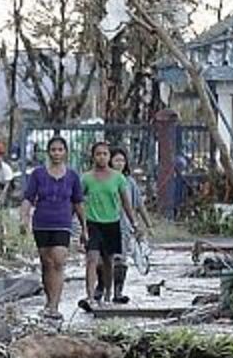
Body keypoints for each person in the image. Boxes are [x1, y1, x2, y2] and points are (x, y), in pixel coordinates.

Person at [20, 136, 86, 320]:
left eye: (60, 150)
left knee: (58, 261)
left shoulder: (72, 176)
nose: (57, 153)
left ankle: (55, 306)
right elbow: (28, 198)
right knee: (46, 263)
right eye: (53, 150)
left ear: (65, 152)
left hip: (63, 223)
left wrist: (85, 228)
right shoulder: (38, 174)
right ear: (48, 152)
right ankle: (48, 302)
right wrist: (24, 218)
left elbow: (78, 203)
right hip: (41, 223)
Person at [79, 141, 140, 312]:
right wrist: (78, 227)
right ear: (93, 156)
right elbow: (78, 202)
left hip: (112, 223)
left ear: (109, 157)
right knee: (91, 259)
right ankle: (90, 296)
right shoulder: (86, 178)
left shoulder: (118, 178)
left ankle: (107, 294)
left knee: (108, 261)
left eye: (105, 154)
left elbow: (127, 204)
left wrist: (135, 223)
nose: (102, 157)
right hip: (92, 223)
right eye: (98, 154)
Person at [100, 147, 153, 303]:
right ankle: (101, 289)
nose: (119, 164)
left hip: (124, 227)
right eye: (116, 160)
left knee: (121, 259)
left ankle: (118, 292)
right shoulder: (102, 179)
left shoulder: (129, 182)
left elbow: (139, 205)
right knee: (104, 259)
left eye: (122, 160)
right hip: (105, 224)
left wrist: (147, 224)